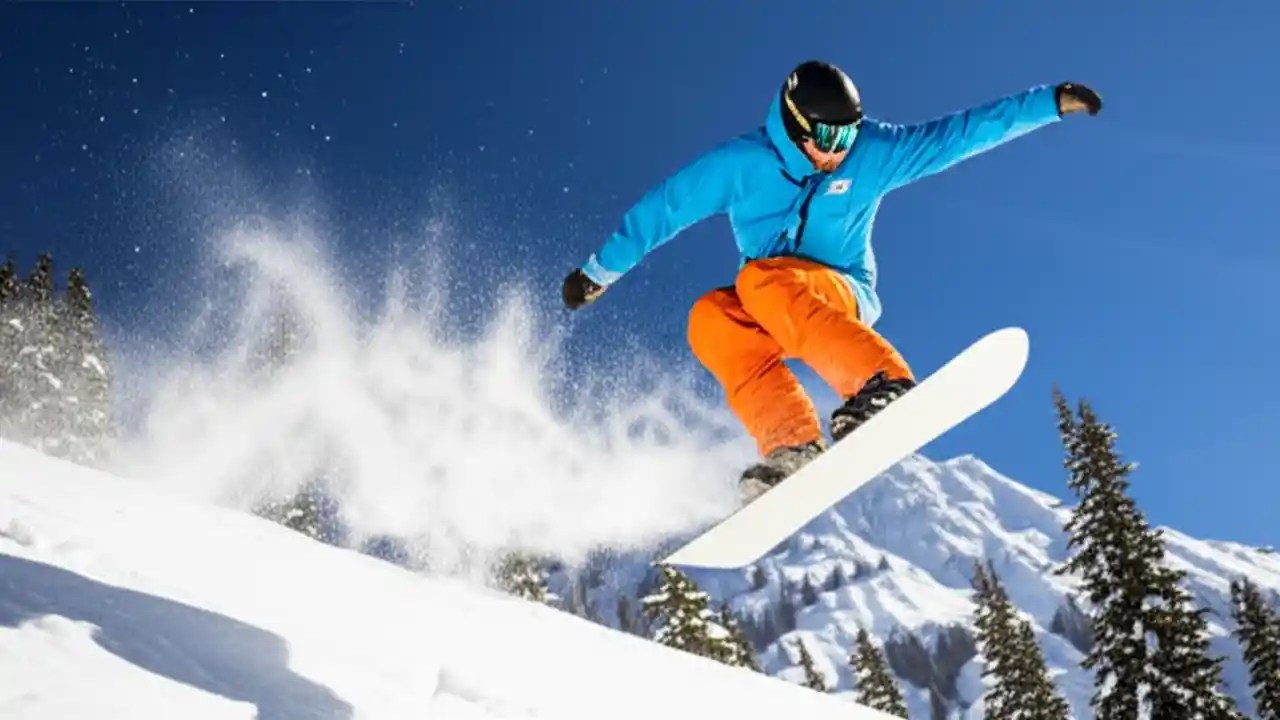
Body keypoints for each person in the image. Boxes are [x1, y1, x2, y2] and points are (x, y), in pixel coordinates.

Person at [561, 60, 1101, 500]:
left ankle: (883, 383)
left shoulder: (872, 155)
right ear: (795, 127)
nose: (839, 148)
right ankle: (791, 444)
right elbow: (667, 207)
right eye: (827, 135)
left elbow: (956, 137)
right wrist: (600, 272)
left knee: (759, 281)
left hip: (844, 293)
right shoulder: (741, 164)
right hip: (777, 301)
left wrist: (1048, 103)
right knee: (712, 319)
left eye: (848, 133)